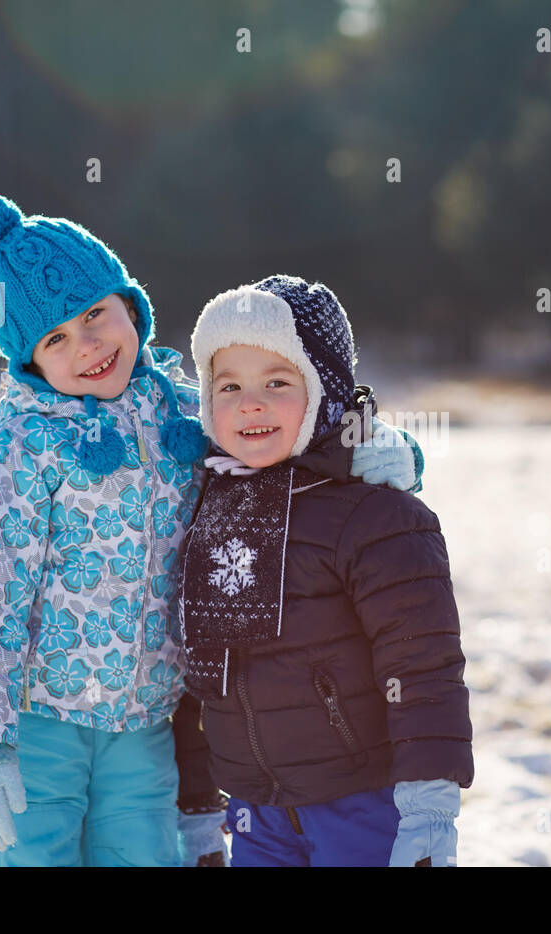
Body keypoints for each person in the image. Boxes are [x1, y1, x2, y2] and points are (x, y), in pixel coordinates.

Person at [0, 195, 419, 866]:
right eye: (53, 339)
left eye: (93, 316)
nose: (86, 347)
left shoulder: (179, 407)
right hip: (40, 721)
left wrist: (372, 449)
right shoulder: (19, 448)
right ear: (30, 361)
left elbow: (273, 442)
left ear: (129, 305)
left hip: (144, 727)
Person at [180, 274, 473, 867]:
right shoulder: (208, 507)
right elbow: (199, 668)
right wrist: (197, 805)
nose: (250, 402)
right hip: (255, 810)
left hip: (363, 799)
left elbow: (422, 663)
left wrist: (429, 804)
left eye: (278, 382)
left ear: (324, 394)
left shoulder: (376, 514)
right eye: (228, 385)